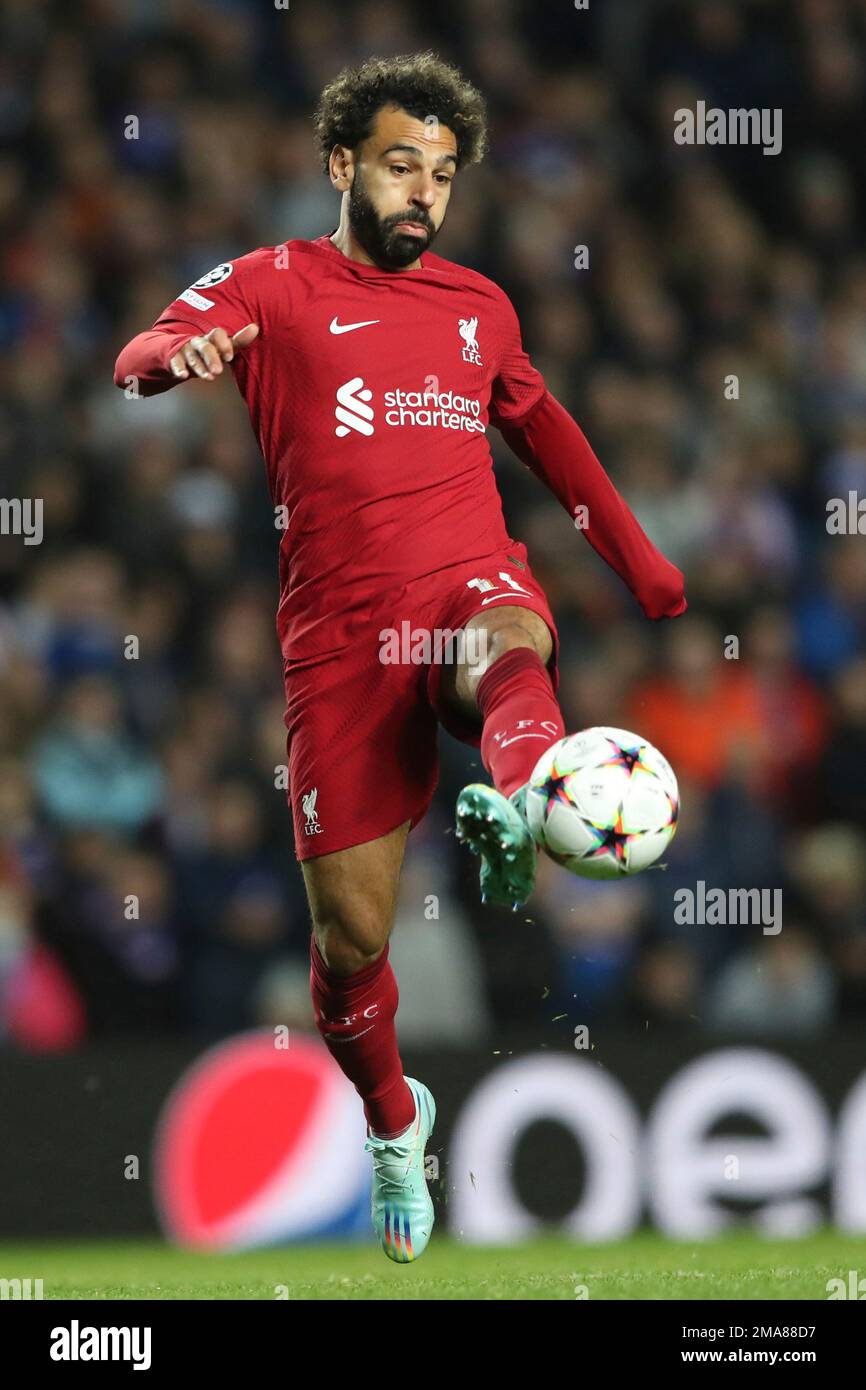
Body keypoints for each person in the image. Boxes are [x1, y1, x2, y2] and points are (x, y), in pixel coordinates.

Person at [114, 51, 686, 1263]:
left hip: (464, 585)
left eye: (441, 173)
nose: (422, 192)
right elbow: (140, 351)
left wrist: (642, 568)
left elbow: (548, 435)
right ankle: (392, 1119)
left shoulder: (478, 308)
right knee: (351, 946)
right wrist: (180, 361)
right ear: (340, 165)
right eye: (398, 166)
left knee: (505, 641)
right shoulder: (269, 284)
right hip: (338, 642)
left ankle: (531, 793)